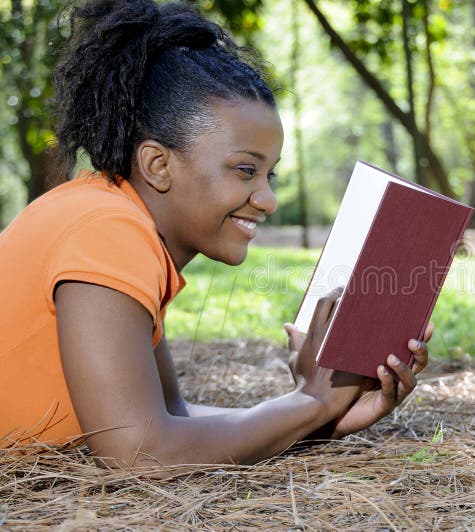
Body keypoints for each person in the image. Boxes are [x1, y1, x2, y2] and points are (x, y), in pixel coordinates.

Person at [0, 0, 432, 467]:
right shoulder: (107, 231)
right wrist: (309, 402)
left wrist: (320, 419)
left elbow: (172, 419)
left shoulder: (118, 226)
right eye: (245, 170)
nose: (267, 199)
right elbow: (139, 453)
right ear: (158, 165)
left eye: (270, 176)